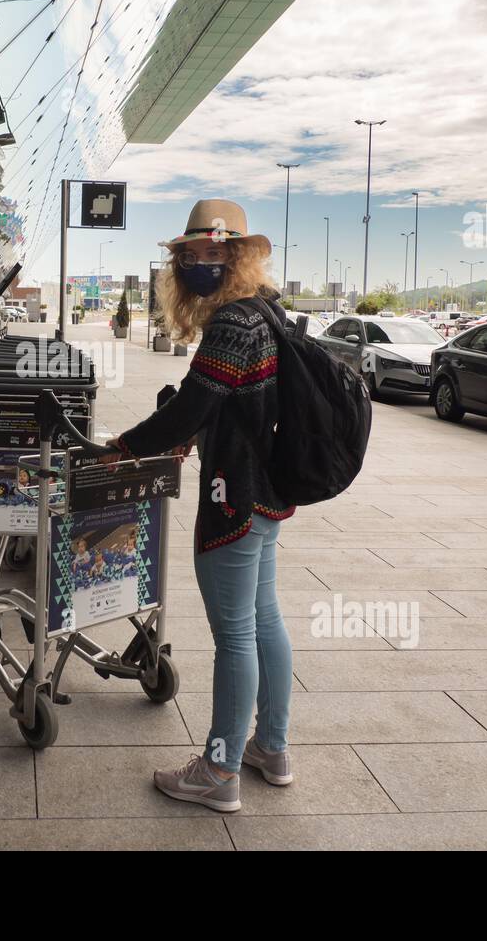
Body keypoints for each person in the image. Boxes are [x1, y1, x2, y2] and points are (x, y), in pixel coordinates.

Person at [101, 198, 296, 813]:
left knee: (236, 635)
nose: (197, 264)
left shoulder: (234, 322)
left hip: (235, 495)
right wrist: (193, 429)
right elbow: (228, 404)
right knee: (264, 621)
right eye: (190, 255)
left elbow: (192, 405)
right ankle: (270, 747)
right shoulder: (271, 314)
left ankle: (218, 771)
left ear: (236, 256)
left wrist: (125, 447)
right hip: (269, 492)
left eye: (212, 253)